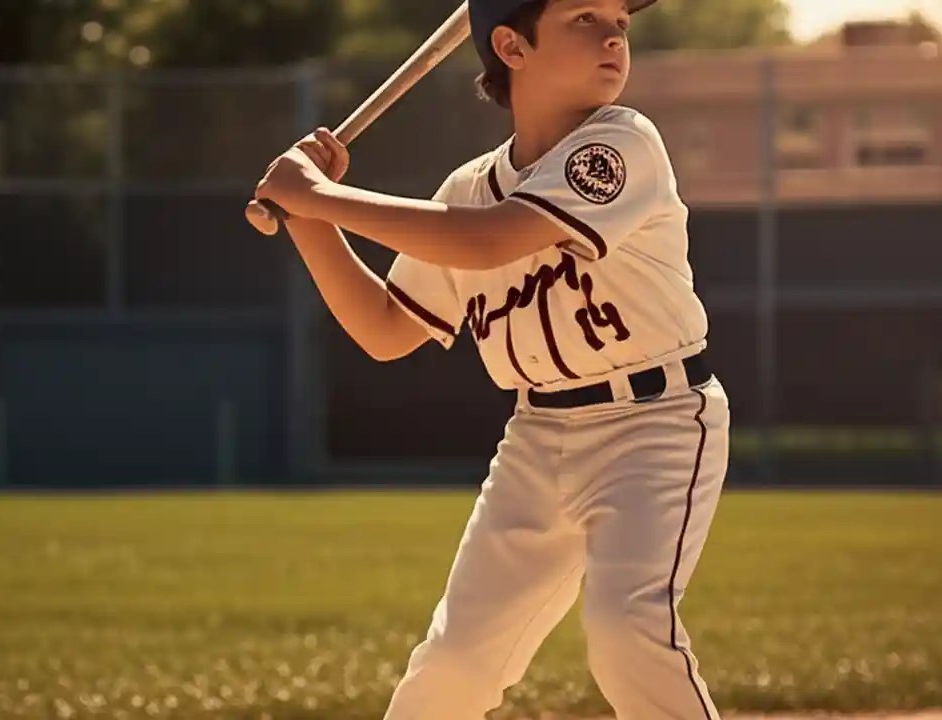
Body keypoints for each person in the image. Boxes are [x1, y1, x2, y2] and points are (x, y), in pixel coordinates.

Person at [254, 0, 729, 717]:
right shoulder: (470, 189)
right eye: (582, 18)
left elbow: (489, 240)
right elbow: (385, 329)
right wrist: (310, 219)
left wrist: (326, 196)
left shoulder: (622, 143)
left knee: (627, 629)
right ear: (511, 44)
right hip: (536, 437)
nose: (612, 35)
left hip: (654, 425)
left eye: (619, 23)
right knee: (454, 661)